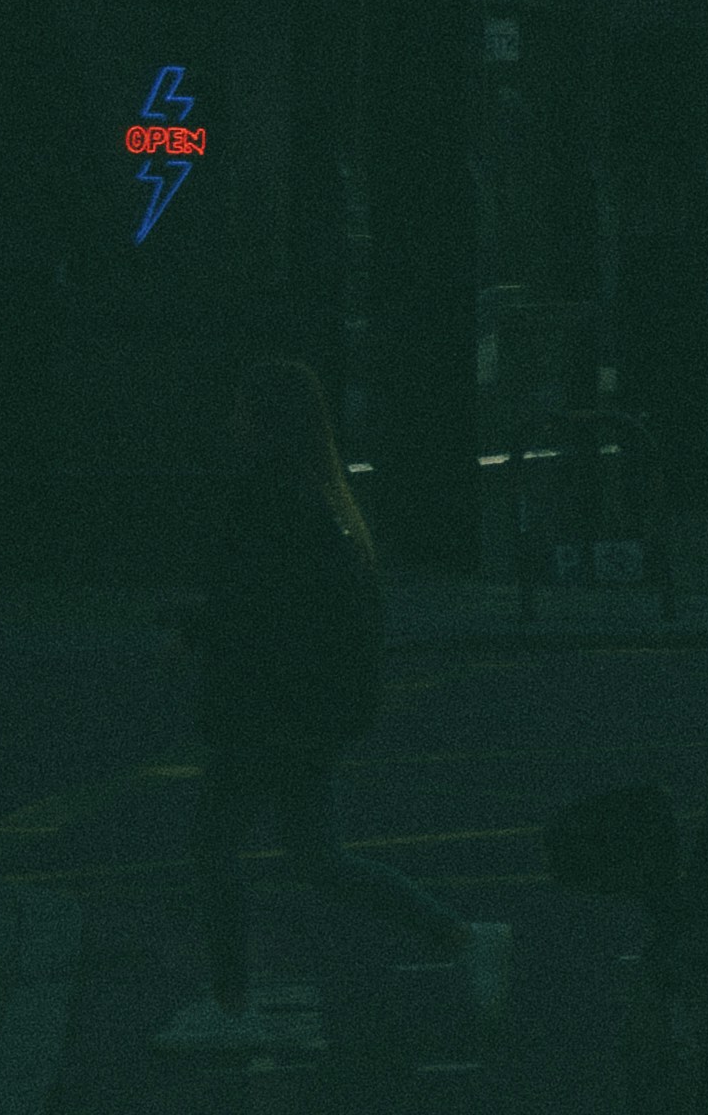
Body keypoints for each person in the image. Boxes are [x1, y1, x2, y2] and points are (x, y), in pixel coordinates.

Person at [165, 360, 501, 1054]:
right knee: (317, 856)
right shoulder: (318, 499)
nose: (231, 422)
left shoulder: (272, 500)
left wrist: (202, 623)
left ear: (266, 423)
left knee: (216, 849)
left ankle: (232, 1005)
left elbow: (264, 612)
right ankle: (458, 935)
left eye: (242, 410)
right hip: (301, 712)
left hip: (267, 710)